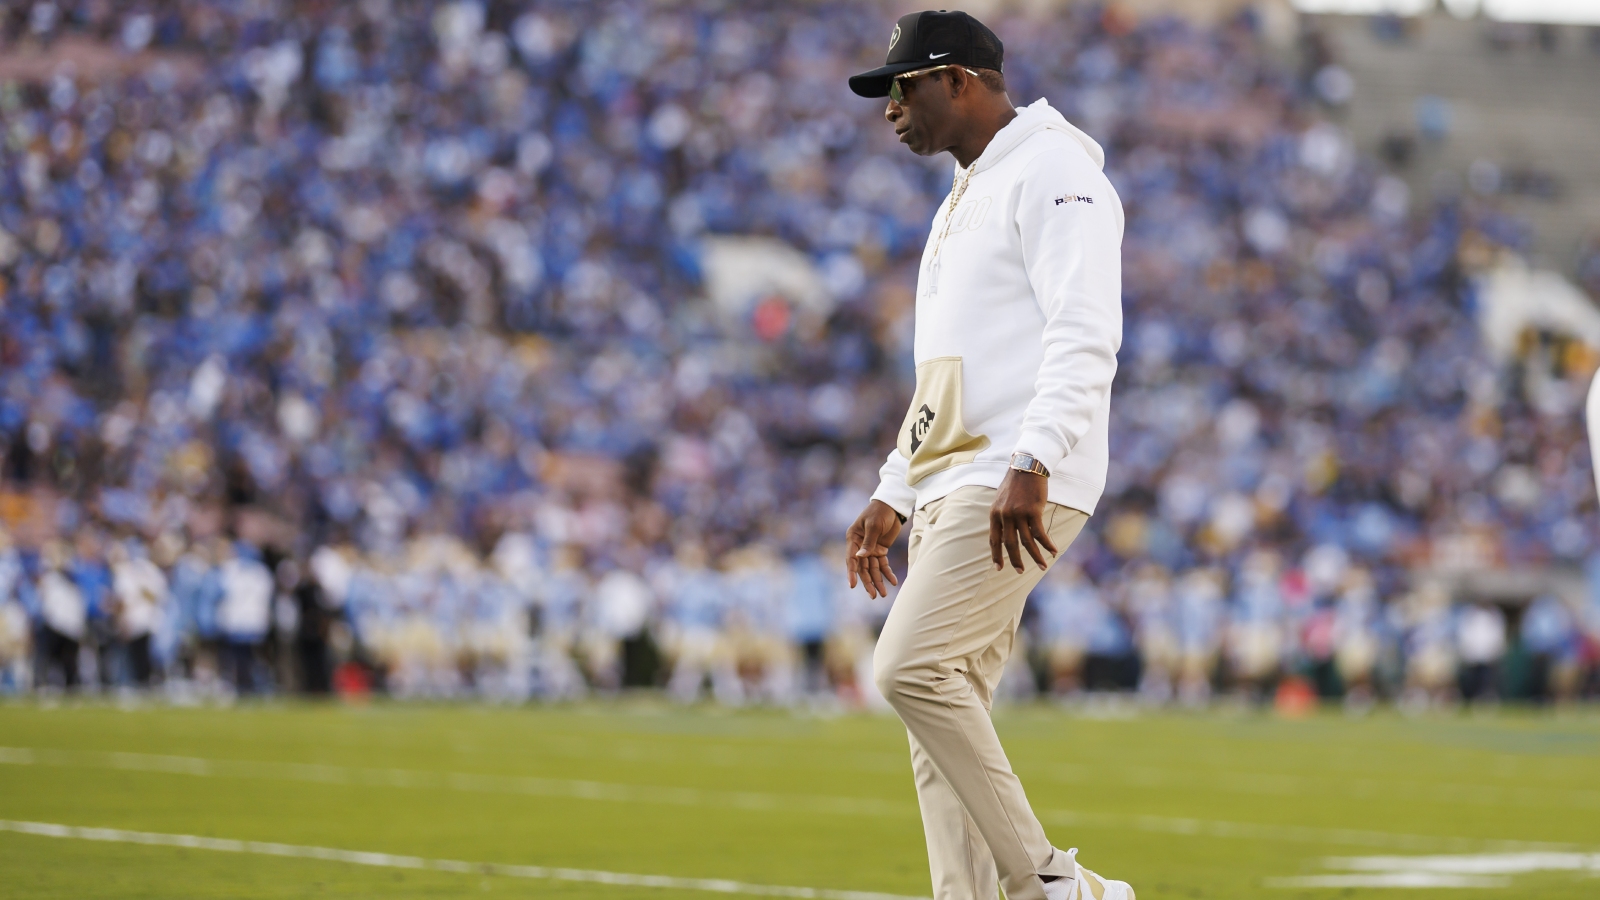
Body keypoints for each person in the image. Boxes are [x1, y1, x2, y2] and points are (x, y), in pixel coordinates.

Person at [843, 12, 1131, 900]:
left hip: (1013, 478)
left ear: (960, 80)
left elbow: (1086, 332)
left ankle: (1052, 884)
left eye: (904, 87)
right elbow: (947, 375)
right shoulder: (966, 192)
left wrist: (1035, 459)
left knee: (906, 668)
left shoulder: (1053, 169)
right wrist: (895, 485)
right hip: (956, 476)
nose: (891, 109)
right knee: (943, 719)